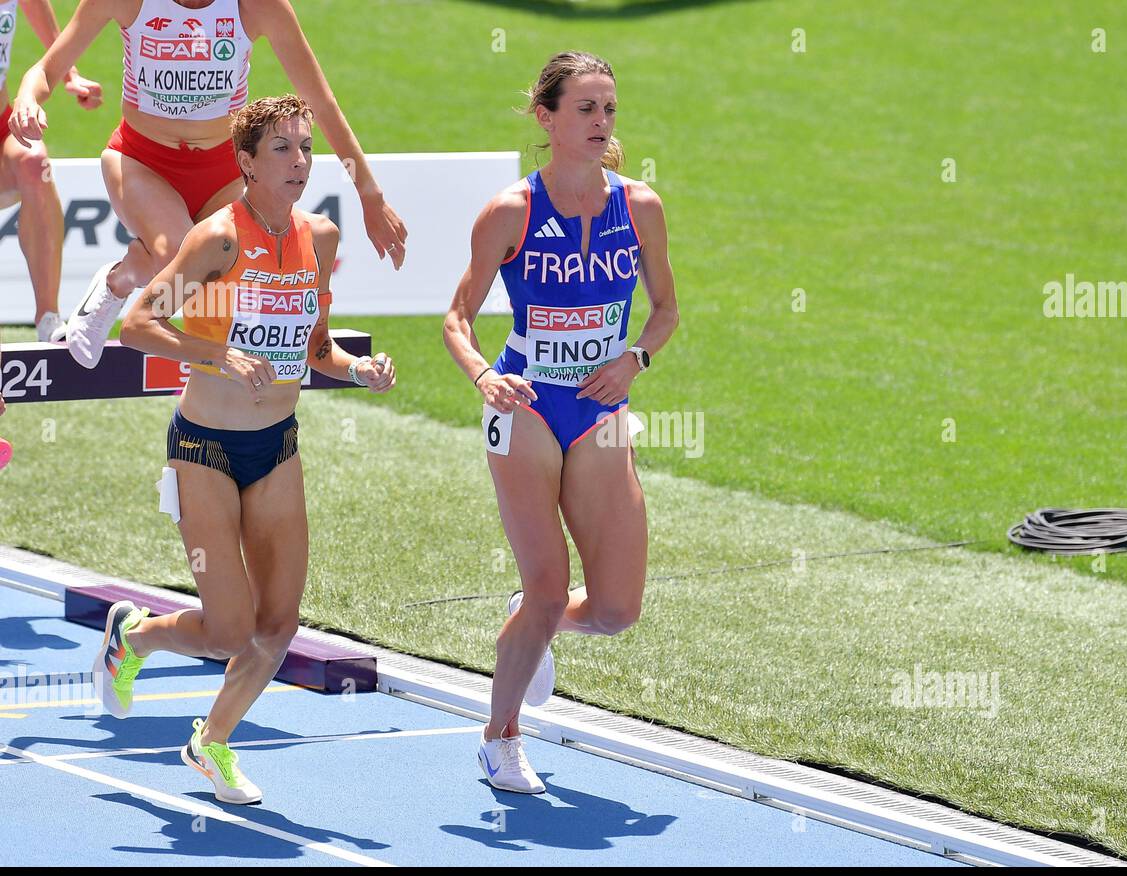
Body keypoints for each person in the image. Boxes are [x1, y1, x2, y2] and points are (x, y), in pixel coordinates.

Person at [99, 94, 395, 804]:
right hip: (203, 446)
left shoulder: (318, 237)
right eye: (284, 150)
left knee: (278, 624)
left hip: (278, 448)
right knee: (231, 628)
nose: (300, 162)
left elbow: (315, 347)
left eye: (305, 147)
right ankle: (135, 637)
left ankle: (212, 742)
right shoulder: (216, 240)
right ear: (246, 164)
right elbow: (137, 326)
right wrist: (217, 355)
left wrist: (356, 370)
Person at [442, 51, 679, 794]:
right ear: (545, 118)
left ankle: (532, 620)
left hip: (602, 407)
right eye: (584, 108)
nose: (601, 122)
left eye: (608, 108)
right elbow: (456, 317)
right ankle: (499, 739)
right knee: (550, 585)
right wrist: (485, 375)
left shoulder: (639, 205)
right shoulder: (511, 211)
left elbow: (667, 309)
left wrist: (635, 357)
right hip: (527, 404)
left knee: (614, 611)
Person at [9, 0, 406, 369]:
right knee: (179, 257)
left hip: (226, 167)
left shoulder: (257, 6)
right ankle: (119, 280)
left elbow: (320, 99)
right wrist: (29, 98)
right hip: (142, 160)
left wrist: (370, 194)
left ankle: (226, 406)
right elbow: (45, 69)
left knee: (226, 273)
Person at [0, 0, 103, 342]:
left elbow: (40, 15)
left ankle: (48, 318)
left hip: (2, 124)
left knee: (34, 163)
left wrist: (71, 75)